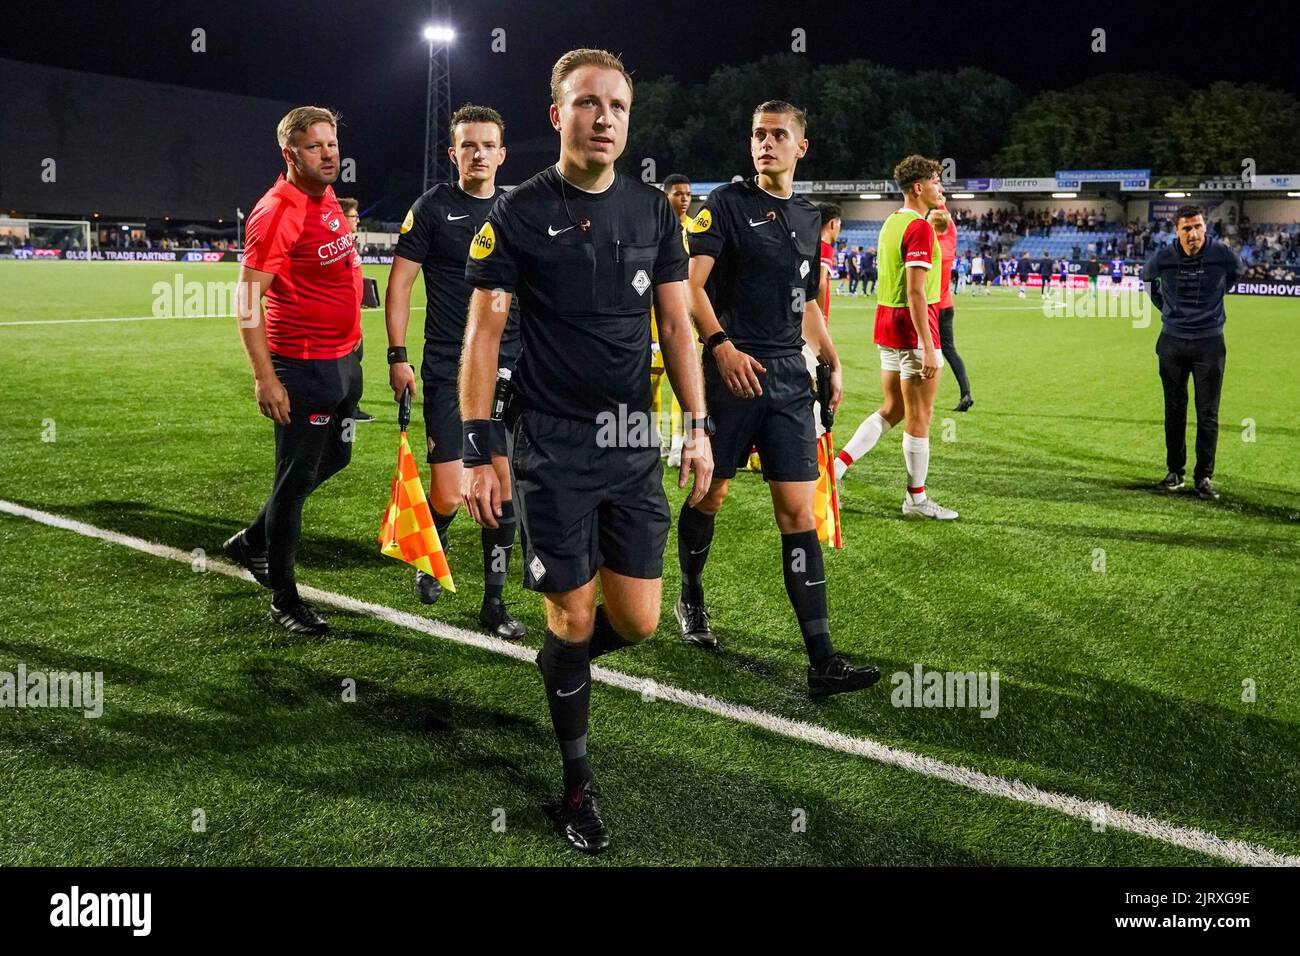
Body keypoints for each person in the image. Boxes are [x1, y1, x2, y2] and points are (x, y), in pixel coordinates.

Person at [460, 49, 712, 854]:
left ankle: (560, 663)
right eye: (587, 103)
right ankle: (575, 786)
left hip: (631, 439)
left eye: (617, 106)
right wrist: (480, 450)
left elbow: (676, 325)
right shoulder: (518, 213)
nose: (604, 118)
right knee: (572, 615)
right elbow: (483, 334)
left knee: (637, 621)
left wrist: (697, 423)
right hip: (551, 444)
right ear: (557, 114)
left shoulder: (654, 211)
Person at [676, 99, 881, 697]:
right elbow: (690, 287)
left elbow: (807, 300)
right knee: (710, 495)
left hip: (789, 379)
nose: (766, 143)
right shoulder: (723, 205)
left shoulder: (810, 217)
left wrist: (831, 359)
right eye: (758, 134)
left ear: (800, 147)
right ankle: (691, 593)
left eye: (778, 135)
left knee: (798, 515)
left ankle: (822, 660)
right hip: (732, 376)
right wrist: (721, 347)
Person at [383, 104, 526, 639]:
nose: (479, 154)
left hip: (510, 366)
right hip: (449, 367)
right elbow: (399, 285)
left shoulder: (517, 209)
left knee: (504, 489)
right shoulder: (432, 208)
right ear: (453, 153)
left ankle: (494, 602)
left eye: (488, 145)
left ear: (502, 154)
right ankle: (434, 540)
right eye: (469, 145)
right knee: (447, 494)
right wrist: (397, 355)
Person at [223, 106, 363, 635]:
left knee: (338, 456)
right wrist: (265, 378)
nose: (328, 154)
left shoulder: (325, 196)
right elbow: (246, 300)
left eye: (332, 143)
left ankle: (253, 538)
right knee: (295, 477)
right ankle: (284, 598)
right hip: (303, 366)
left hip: (344, 359)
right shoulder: (278, 210)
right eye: (314, 146)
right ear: (290, 154)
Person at [834, 155, 958, 521]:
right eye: (936, 181)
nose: (941, 187)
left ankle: (835, 469)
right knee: (920, 415)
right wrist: (929, 347)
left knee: (894, 408)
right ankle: (916, 499)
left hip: (887, 324)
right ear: (918, 187)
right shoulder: (918, 228)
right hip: (913, 328)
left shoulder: (891, 222)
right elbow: (916, 291)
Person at [1141, 204, 1241, 500]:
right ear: (1177, 231)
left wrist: (1215, 299)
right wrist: (1165, 307)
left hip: (1209, 344)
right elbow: (1146, 280)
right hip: (1172, 342)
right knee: (1174, 410)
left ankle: (1204, 476)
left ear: (1204, 227)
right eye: (1187, 228)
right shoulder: (1164, 256)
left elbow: (1236, 273)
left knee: (1208, 413)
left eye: (1198, 226)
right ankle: (1175, 471)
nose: (1193, 233)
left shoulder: (1221, 253)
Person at [653, 172, 694, 468]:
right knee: (651, 382)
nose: (684, 199)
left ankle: (679, 441)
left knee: (684, 377)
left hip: (686, 317)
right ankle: (656, 438)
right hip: (654, 317)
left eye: (688, 194)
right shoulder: (652, 227)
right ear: (666, 195)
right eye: (678, 194)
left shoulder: (696, 230)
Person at [929, 206, 973, 412]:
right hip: (947, 306)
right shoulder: (950, 241)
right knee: (950, 350)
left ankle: (920, 397)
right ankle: (966, 392)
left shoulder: (930, 246)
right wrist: (941, 204)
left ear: (933, 225)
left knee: (925, 352)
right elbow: (950, 225)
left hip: (932, 307)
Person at [337, 197, 375, 423]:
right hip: (344, 323)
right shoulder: (337, 247)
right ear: (342, 217)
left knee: (354, 363)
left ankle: (349, 408)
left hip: (354, 318)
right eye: (354, 216)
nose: (358, 220)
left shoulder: (348, 243)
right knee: (349, 370)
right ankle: (347, 411)